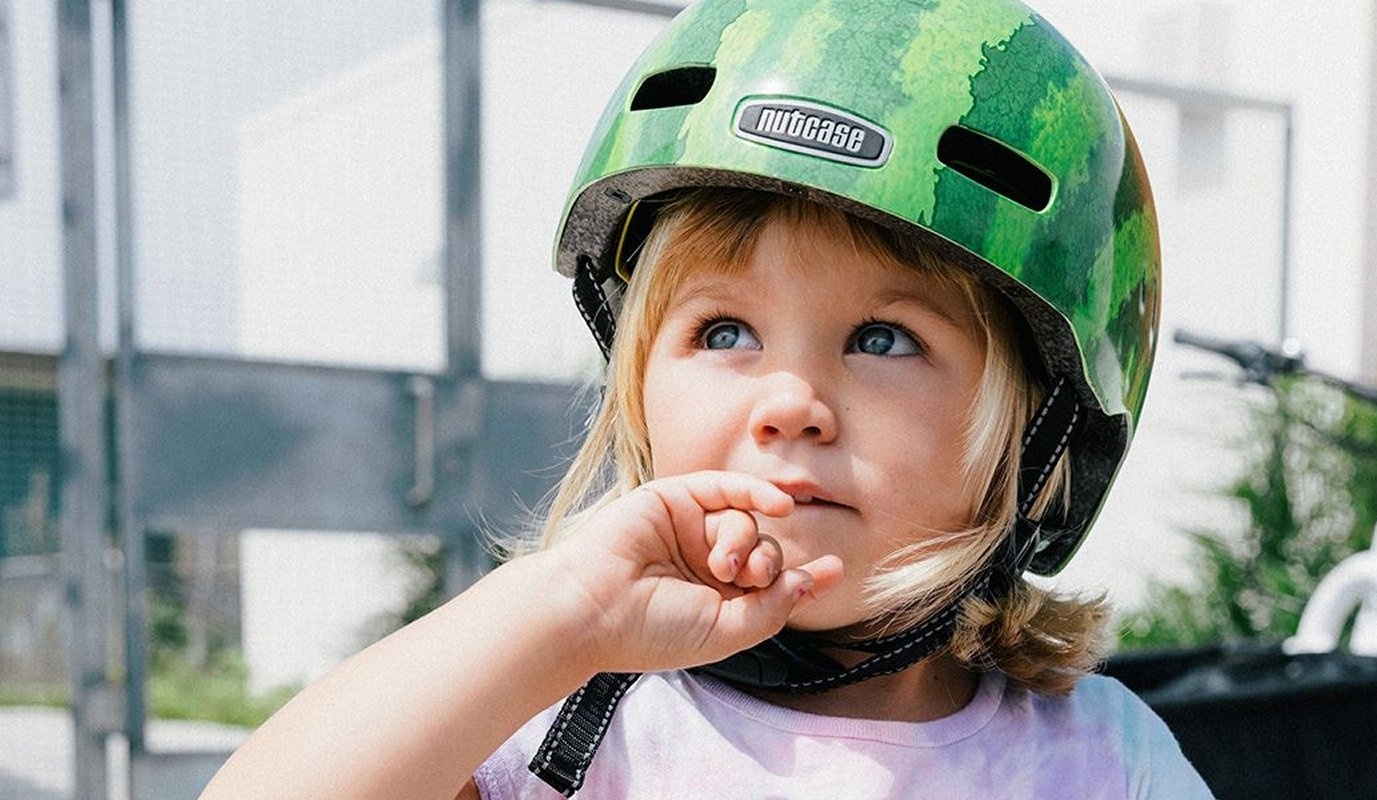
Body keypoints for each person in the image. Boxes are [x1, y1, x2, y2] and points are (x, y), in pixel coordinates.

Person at [203, 0, 1213, 797]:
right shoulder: (560, 727)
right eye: (722, 332)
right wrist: (564, 611)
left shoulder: (1100, 762)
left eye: (882, 338)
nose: (791, 402)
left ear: (1041, 442)